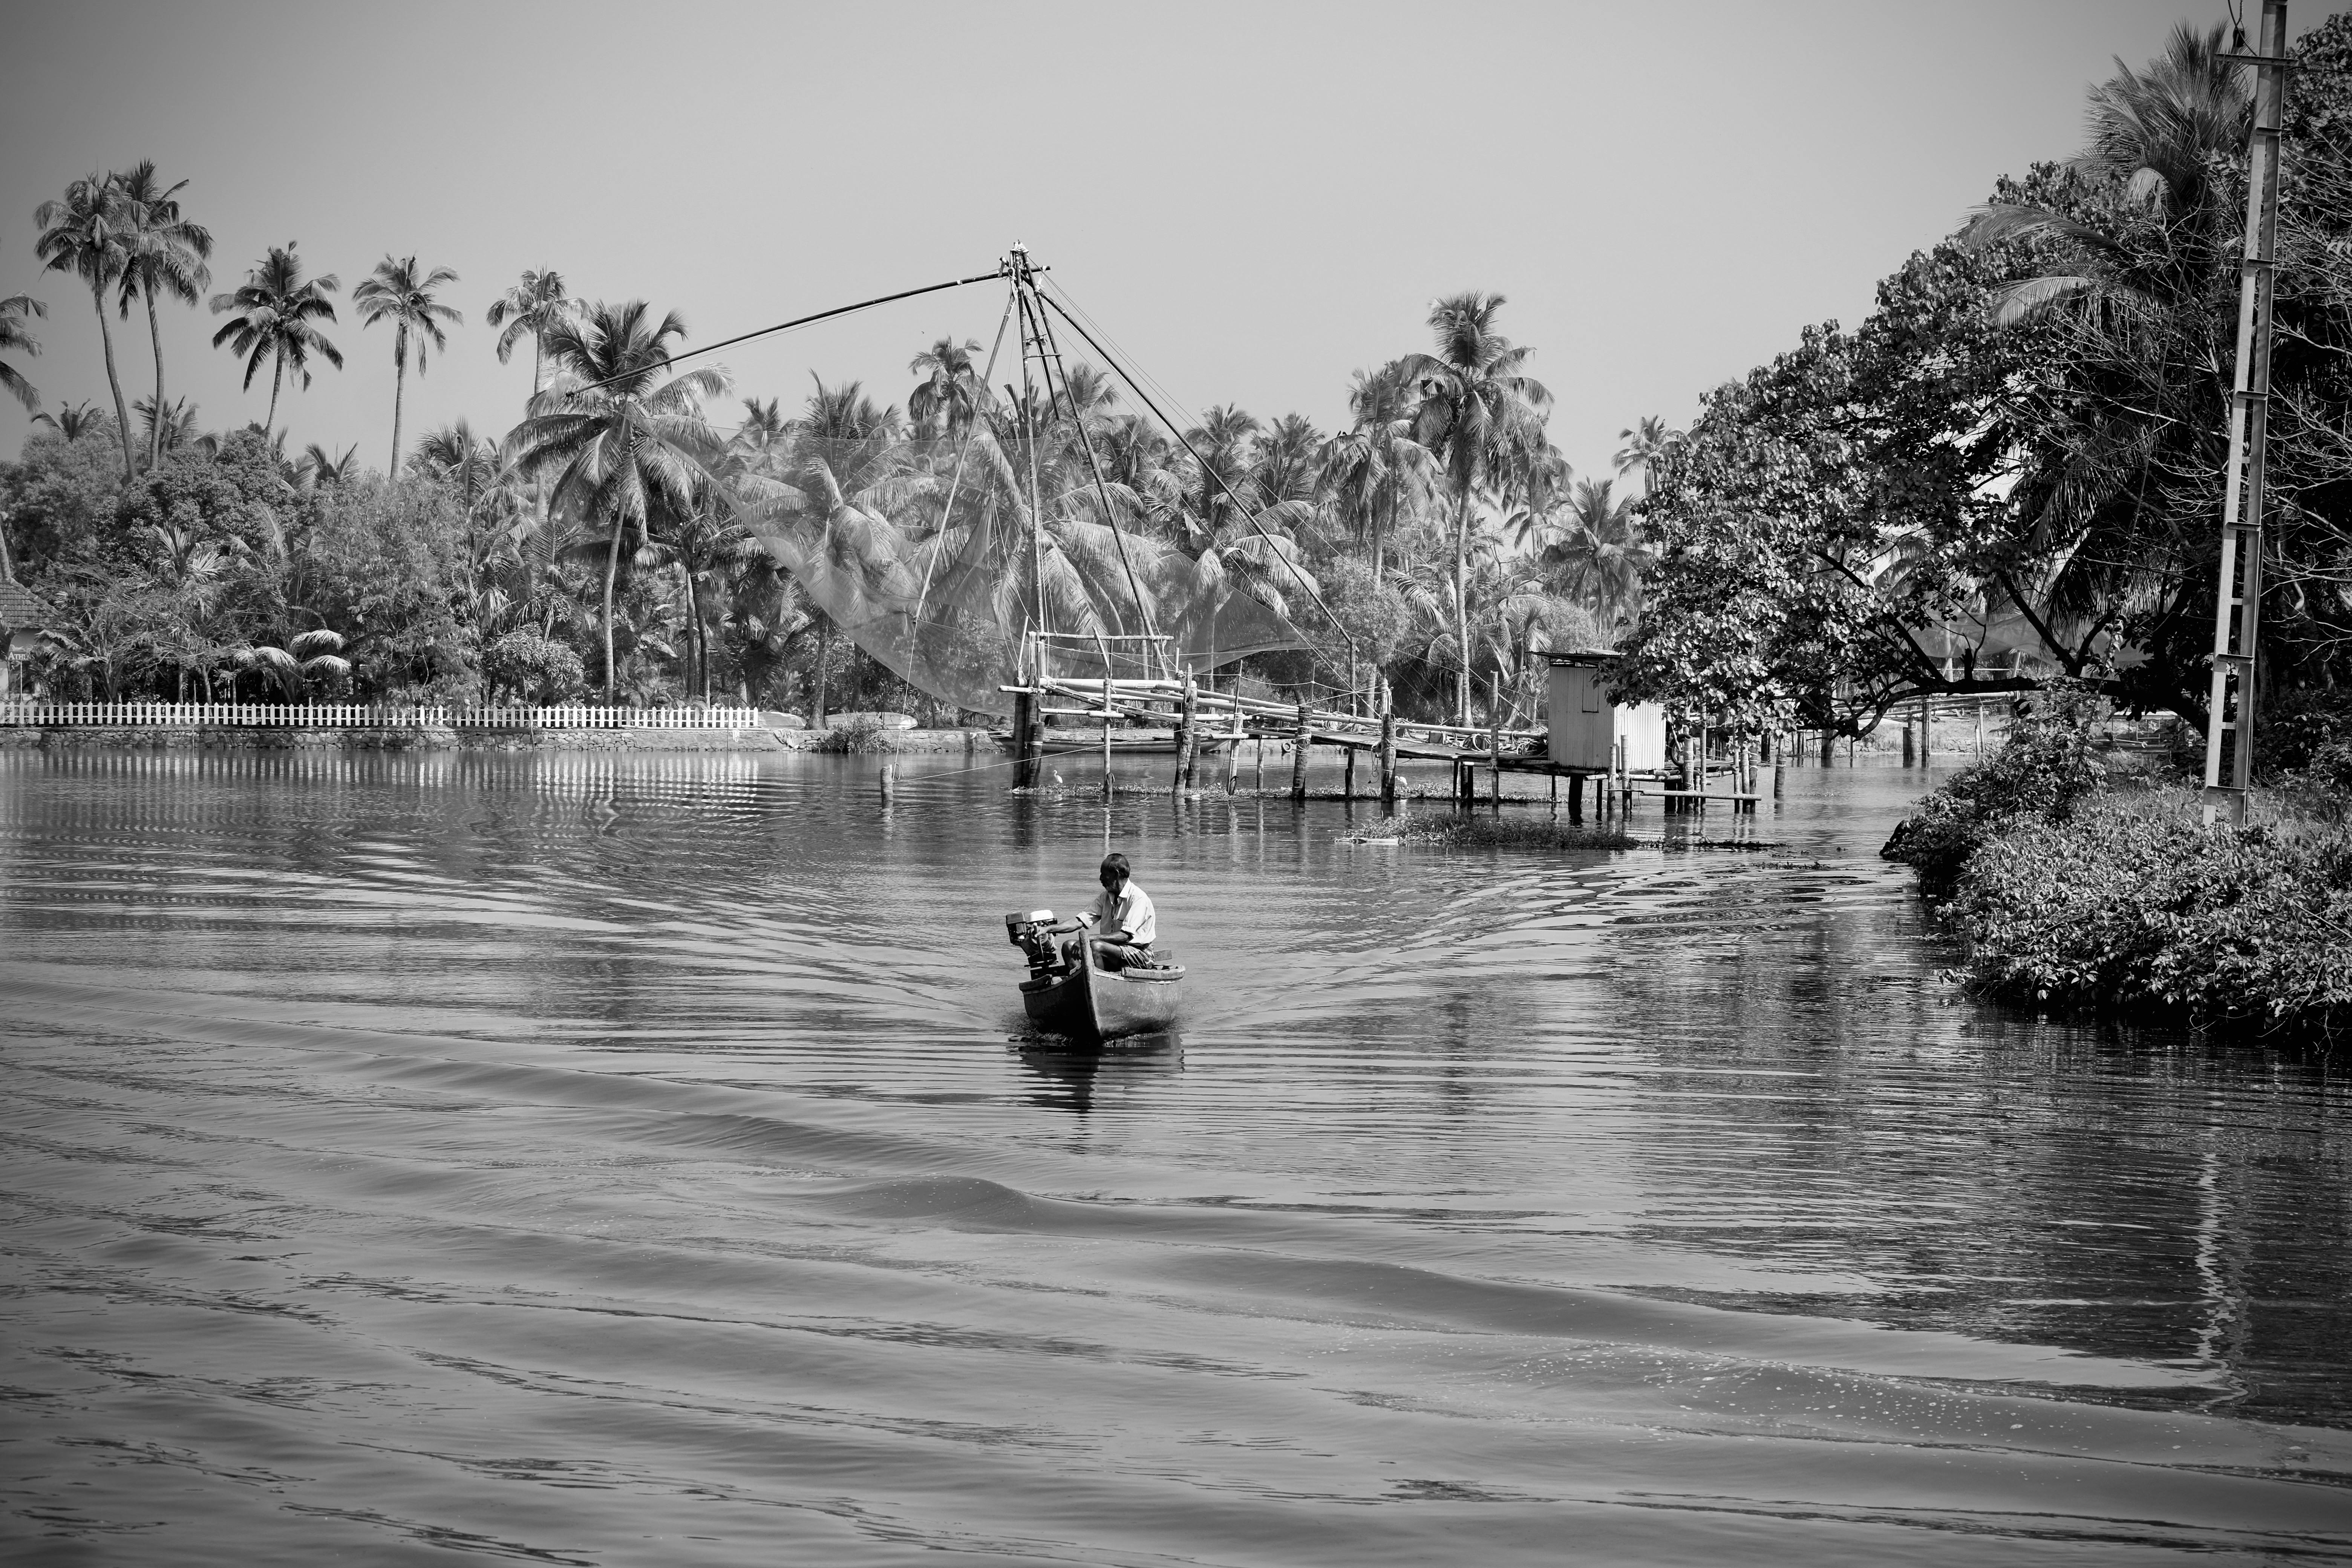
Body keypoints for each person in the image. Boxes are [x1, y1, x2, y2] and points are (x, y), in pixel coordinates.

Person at [1055, 852, 1157, 972]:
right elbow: (1080, 920)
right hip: (1112, 951)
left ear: (1116, 874)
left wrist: (1089, 939)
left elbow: (1125, 936)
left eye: (1104, 875)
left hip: (1140, 955)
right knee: (1068, 947)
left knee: (1097, 947)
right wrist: (1049, 929)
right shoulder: (1106, 897)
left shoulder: (1138, 899)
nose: (1101, 879)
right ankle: (1083, 983)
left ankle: (1099, 980)